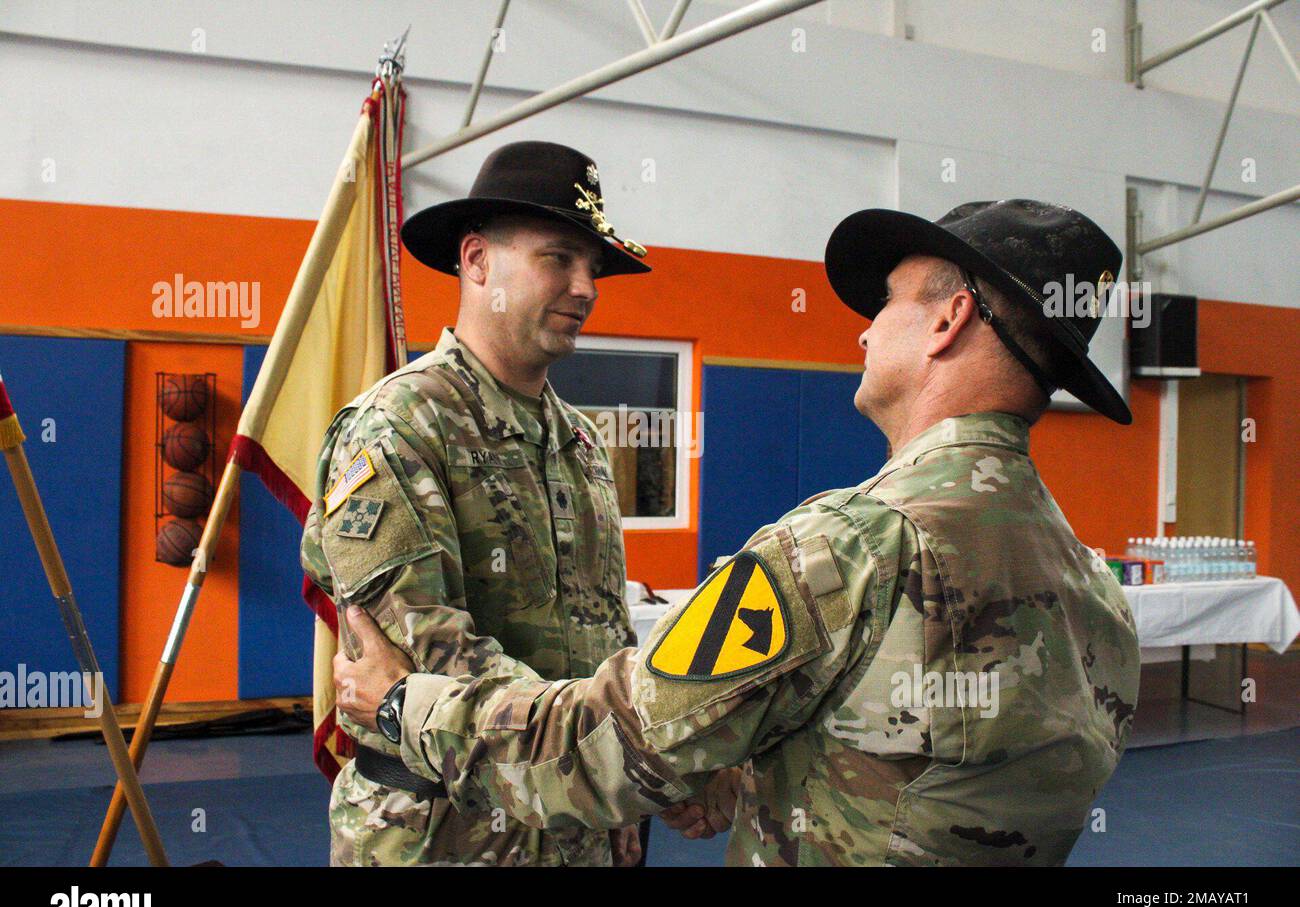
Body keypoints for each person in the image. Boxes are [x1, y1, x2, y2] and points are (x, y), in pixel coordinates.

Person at [334, 199, 1142, 865]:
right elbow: (896, 768)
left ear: (949, 320)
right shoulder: (1097, 593)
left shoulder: (848, 550)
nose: (864, 332)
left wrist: (401, 703)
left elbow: (599, 747)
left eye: (888, 302)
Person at [300, 140, 653, 866]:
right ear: (476, 261)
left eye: (595, 268)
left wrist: (619, 794)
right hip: (443, 836)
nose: (586, 287)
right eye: (559, 257)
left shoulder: (580, 442)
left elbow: (605, 632)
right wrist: (620, 757)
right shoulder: (397, 427)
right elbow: (435, 663)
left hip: (575, 832)